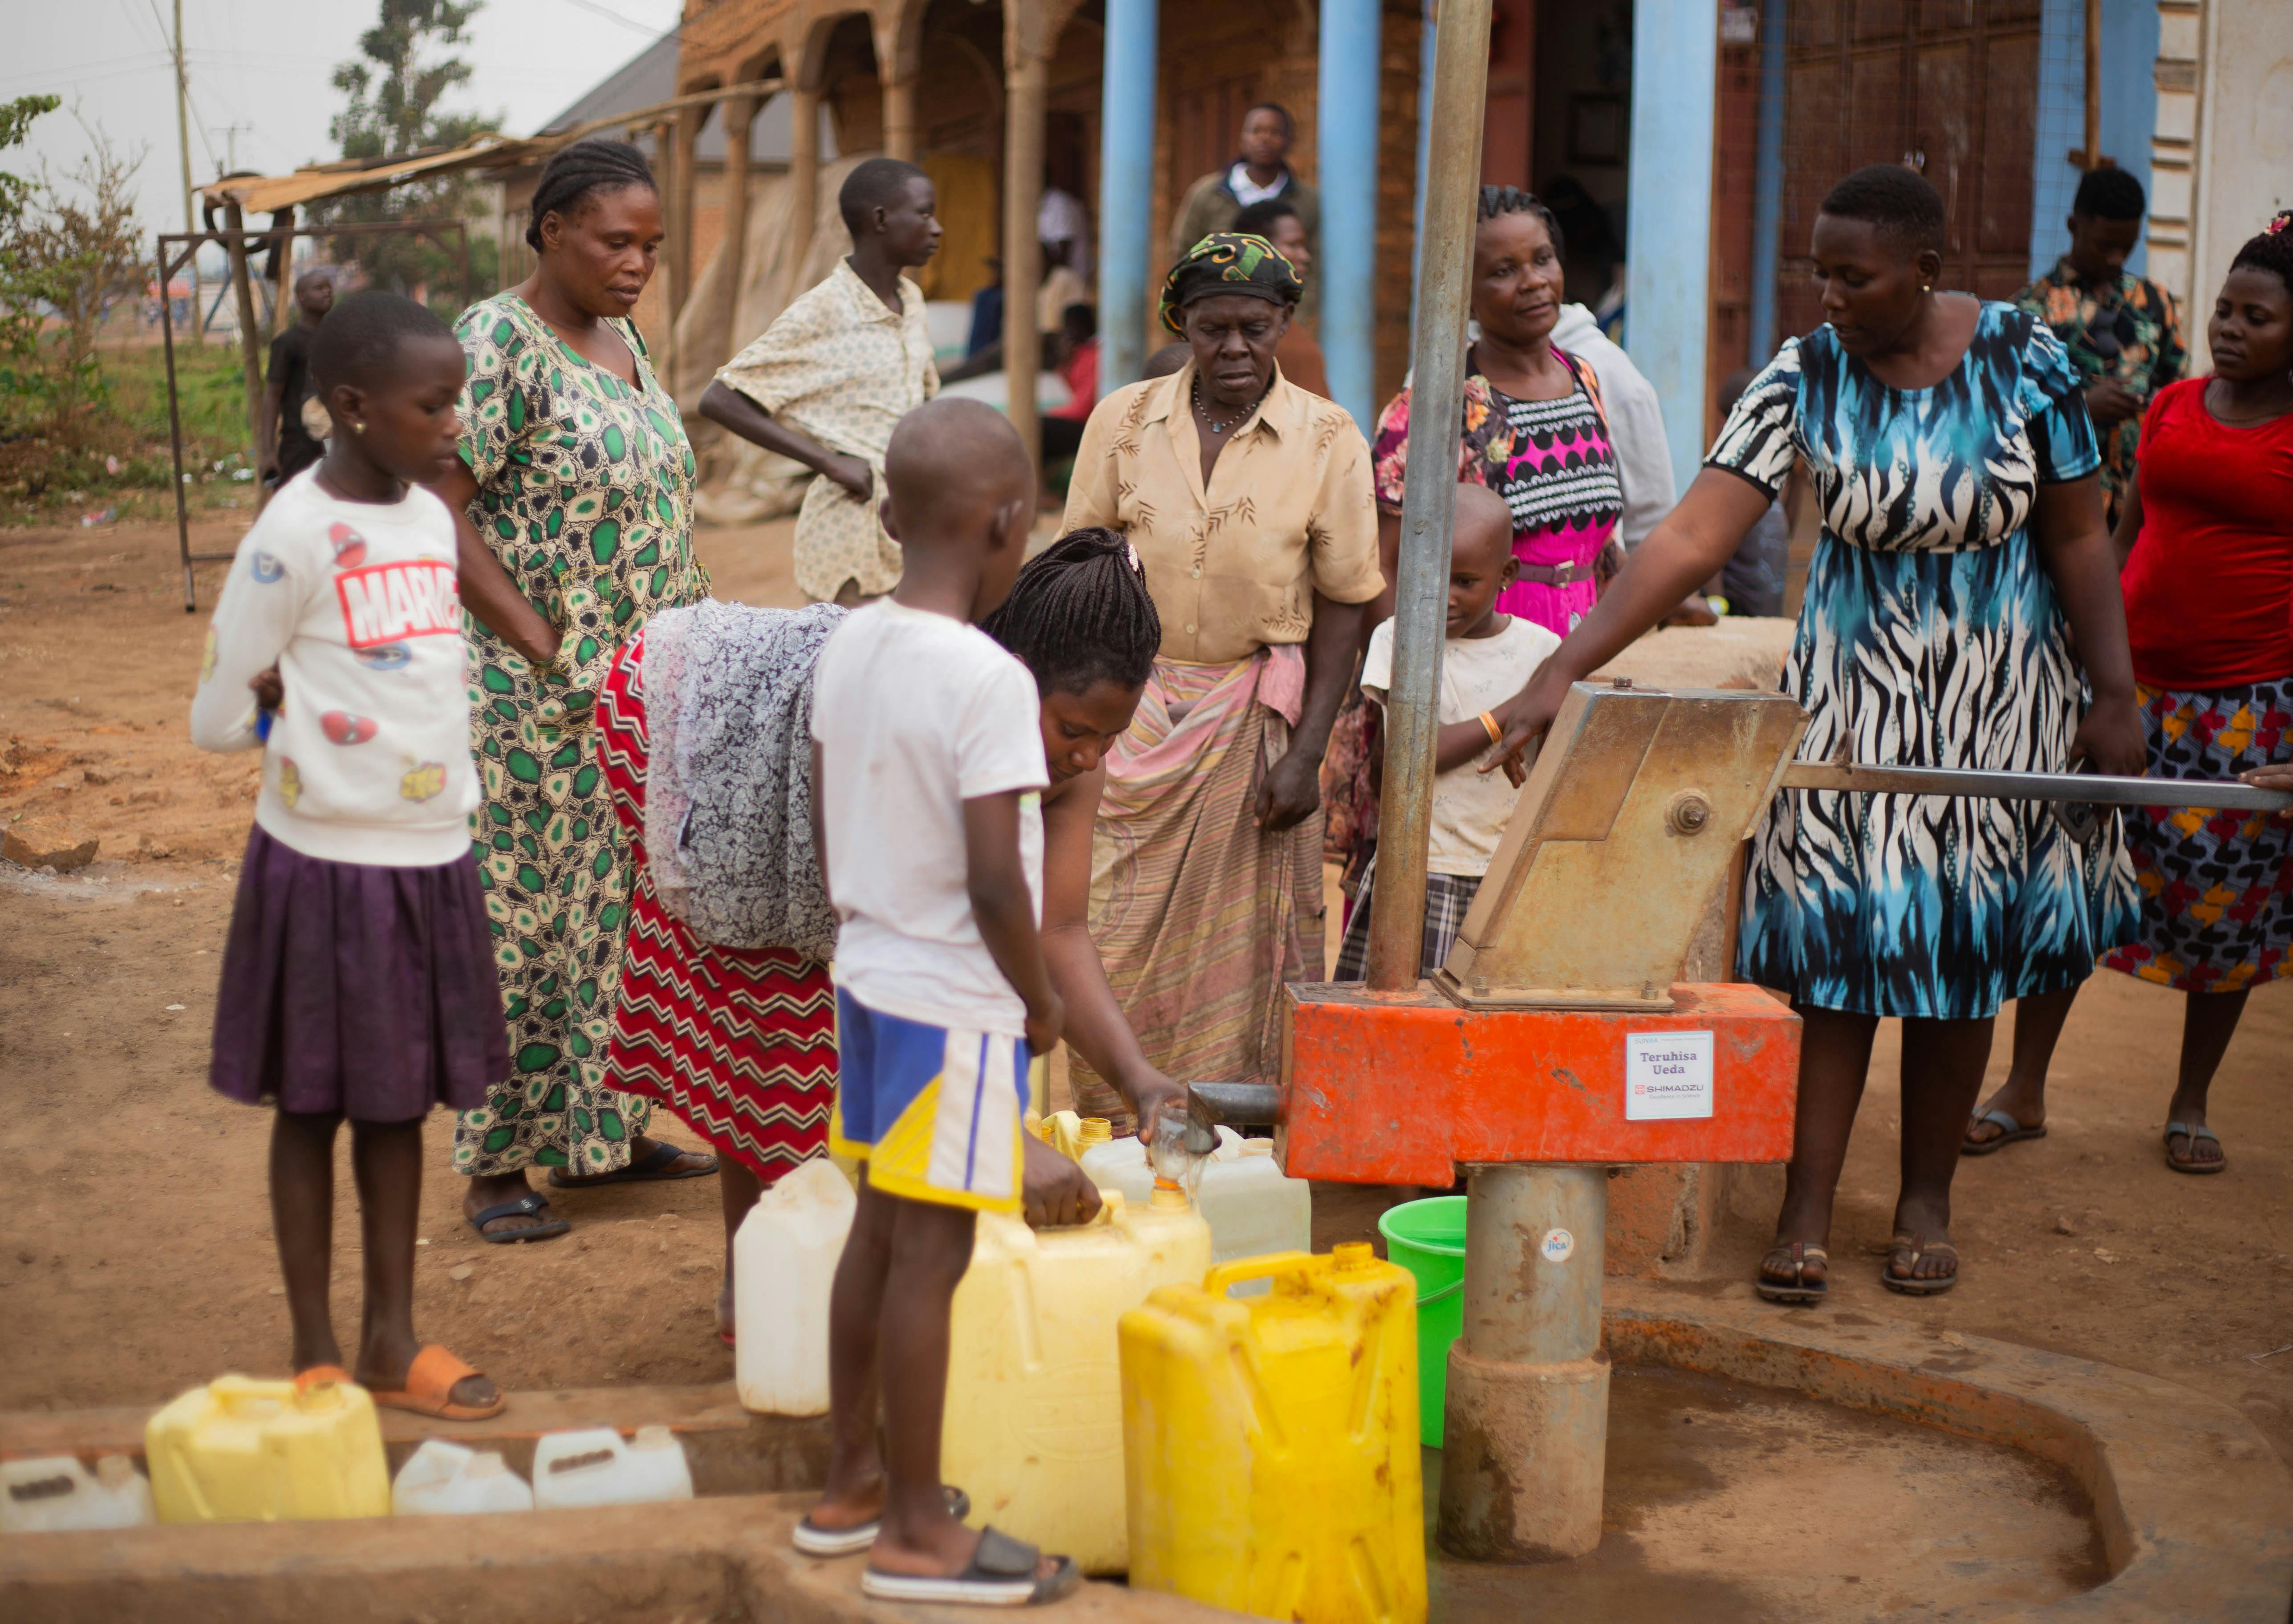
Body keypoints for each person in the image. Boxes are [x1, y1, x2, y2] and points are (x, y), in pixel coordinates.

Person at [1484, 164, 2144, 1302]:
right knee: (1834, 952)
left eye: (1854, 273)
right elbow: (1690, 536)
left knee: (1956, 954)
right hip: (1848, 703)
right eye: (1818, 270)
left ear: (1924, 270)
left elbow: (2080, 536)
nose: (1828, 293)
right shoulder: (1803, 376)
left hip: (1993, 712)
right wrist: (1558, 669)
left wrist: (2113, 691)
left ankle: (1922, 1200)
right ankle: (1802, 1202)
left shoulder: (2023, 358)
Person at [192, 290, 507, 1419]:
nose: (455, 422)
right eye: (436, 405)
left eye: (457, 400)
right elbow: (218, 715)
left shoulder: (427, 517)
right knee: (312, 1105)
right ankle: (317, 1347)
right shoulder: (291, 531)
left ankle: (393, 1338)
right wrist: (280, 720)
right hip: (320, 865)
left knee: (395, 1107)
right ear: (351, 408)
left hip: (429, 858)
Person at [799, 397, 1080, 1606]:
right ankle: (917, 1532)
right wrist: (1037, 1005)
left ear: (888, 513)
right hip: (951, 1000)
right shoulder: (985, 678)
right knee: (934, 1255)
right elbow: (991, 877)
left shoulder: (849, 642)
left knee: (875, 1231)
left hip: (864, 978)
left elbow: (825, 814)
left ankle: (850, 1481)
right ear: (1007, 522)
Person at [1964, 213, 2293, 1174]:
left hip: (2245, 706)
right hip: (2128, 692)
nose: (2230, 329)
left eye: (2258, 317)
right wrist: (2080, 663)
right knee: (2069, 887)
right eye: (2224, 311)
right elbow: (2114, 543)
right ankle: (2022, 1089)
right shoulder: (2170, 408)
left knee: (2222, 910)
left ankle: (2189, 1103)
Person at [432, 138, 717, 1240]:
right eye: (616, 241)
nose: (638, 261)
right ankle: (497, 1165)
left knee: (616, 921)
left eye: (650, 244)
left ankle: (599, 1137)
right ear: (549, 228)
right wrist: (541, 641)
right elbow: (438, 505)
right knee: (522, 926)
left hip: (633, 691)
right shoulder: (497, 342)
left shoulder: (623, 338)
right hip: (527, 705)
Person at [1059, 233, 1382, 1127]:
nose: (1234, 350)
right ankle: (1117, 1119)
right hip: (1131, 711)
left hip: (1253, 718)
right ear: (1181, 326)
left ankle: (1225, 1128)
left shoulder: (1326, 437)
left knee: (1242, 952)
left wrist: (1308, 752)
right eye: (1211, 331)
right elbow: (1077, 560)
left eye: (1253, 328)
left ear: (1283, 323)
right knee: (1109, 923)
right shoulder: (1124, 421)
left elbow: (1346, 605)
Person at [596, 600, 846, 1344]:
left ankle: (765, 1282)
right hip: (667, 706)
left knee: (778, 1027)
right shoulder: (947, 708)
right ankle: (764, 1286)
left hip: (731, 729)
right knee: (777, 1012)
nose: (1087, 757)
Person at [981, 529, 1190, 1149]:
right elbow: (919, 949)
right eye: (1073, 729)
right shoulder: (946, 733)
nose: (1089, 756)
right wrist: (1003, 1144)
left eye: (1110, 736)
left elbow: (1058, 930)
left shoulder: (1075, 767)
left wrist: (1137, 1078)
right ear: (1015, 678)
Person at [1370, 187, 1627, 646]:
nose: (1533, 281)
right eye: (1504, 271)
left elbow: (1601, 546)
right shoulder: (1436, 406)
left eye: (1543, 259)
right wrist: (1407, 691)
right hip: (1477, 666)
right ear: (1464, 297)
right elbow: (1385, 562)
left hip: (1579, 652)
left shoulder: (1584, 377)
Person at [1332, 484, 1559, 978]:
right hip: (1421, 872)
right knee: (1405, 1027)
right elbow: (1418, 753)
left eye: (1465, 581)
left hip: (1507, 875)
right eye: (1430, 575)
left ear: (1506, 577)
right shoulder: (1396, 638)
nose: (1444, 596)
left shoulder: (1542, 651)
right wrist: (1519, 710)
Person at [701, 158, 943, 605]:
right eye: (925, 214)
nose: (938, 228)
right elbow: (721, 398)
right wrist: (829, 462)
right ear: (881, 220)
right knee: (851, 666)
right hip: (849, 538)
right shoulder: (825, 310)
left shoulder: (911, 301)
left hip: (908, 528)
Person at [2013, 166, 2187, 528]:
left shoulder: (2154, 302)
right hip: (2057, 513)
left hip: (2142, 512)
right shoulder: (2028, 312)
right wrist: (2083, 408)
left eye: (2126, 247)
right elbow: (2004, 418)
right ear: (2074, 226)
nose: (2115, 258)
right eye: (2105, 245)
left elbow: (2177, 394)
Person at [1172, 104, 1320, 325]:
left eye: (1275, 133)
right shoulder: (1207, 193)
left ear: (1290, 141)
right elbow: (1184, 253)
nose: (1265, 139)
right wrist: (1198, 309)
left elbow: (1314, 266)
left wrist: (1293, 319)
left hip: (1278, 321)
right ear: (1243, 138)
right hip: (1216, 315)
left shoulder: (1307, 201)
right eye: (1257, 131)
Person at [1710, 365, 1790, 617]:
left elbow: (1780, 533)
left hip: (1767, 618)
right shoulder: (1726, 476)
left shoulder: (1769, 470)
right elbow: (1710, 550)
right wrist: (1716, 607)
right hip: (1735, 620)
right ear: (1731, 422)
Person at [1231, 197, 1329, 397]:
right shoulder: (1240, 330)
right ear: (1258, 250)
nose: (1305, 256)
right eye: (1294, 245)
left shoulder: (1285, 322)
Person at [259, 268, 334, 489]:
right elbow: (272, 396)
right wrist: (268, 453)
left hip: (335, 444)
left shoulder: (339, 339)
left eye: (328, 287)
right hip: (299, 446)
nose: (327, 292)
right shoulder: (288, 343)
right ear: (301, 297)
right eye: (319, 288)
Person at [1040, 301, 1098, 467]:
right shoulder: (1076, 356)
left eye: (1074, 326)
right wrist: (1066, 361)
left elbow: (1082, 409)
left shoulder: (1096, 357)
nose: (1069, 332)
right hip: (1069, 417)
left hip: (1086, 425)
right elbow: (1061, 390)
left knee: (1038, 428)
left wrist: (1048, 412)